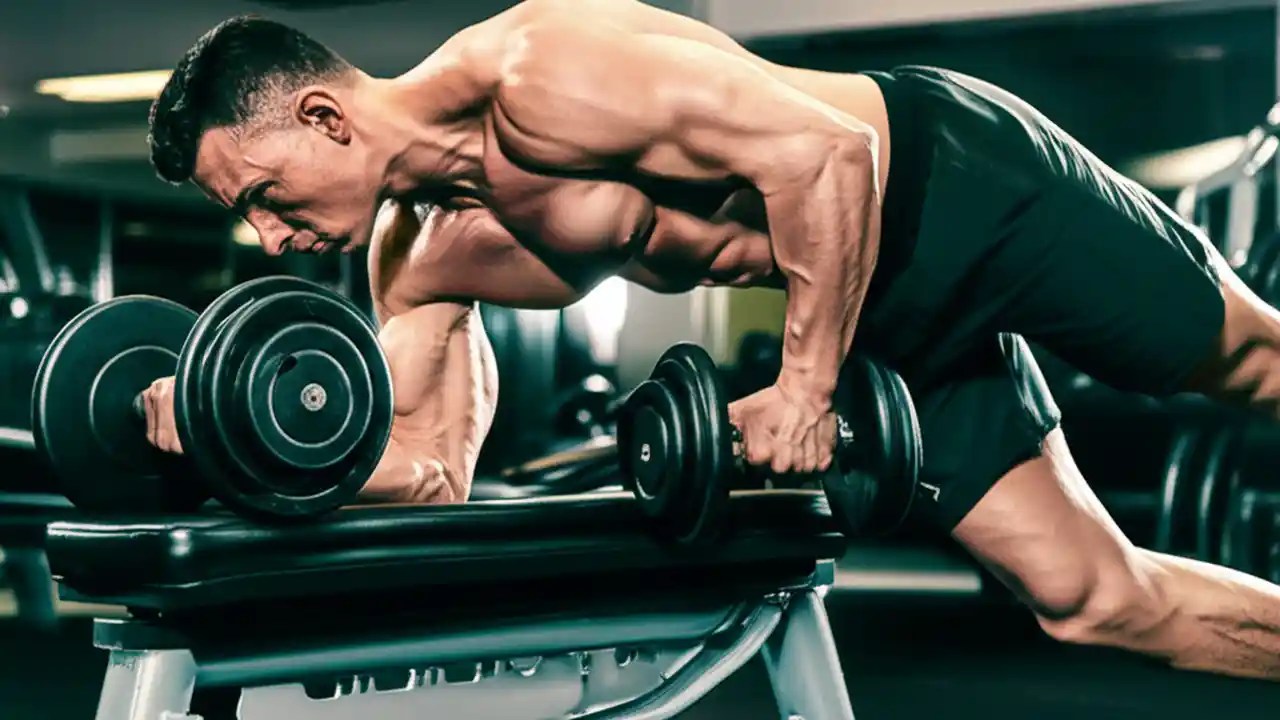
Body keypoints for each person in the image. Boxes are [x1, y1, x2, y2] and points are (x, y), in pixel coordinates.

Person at [140, 0, 1280, 680]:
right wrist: (227, 438)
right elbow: (425, 474)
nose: (264, 232)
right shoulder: (419, 259)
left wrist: (800, 386)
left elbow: (826, 157)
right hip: (876, 315)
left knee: (1252, 367)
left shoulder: (544, 70)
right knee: (1088, 601)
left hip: (955, 185)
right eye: (242, 216)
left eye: (263, 193)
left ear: (324, 119)